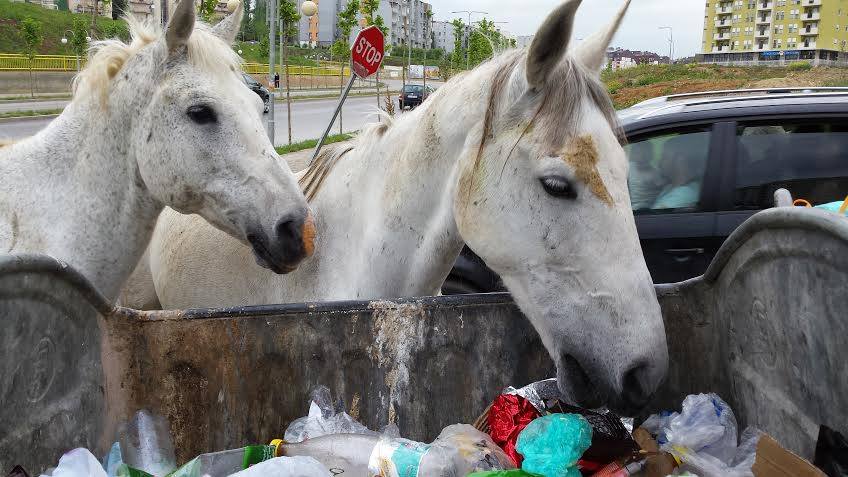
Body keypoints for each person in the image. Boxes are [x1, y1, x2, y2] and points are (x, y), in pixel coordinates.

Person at [652, 136, 705, 210]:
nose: (659, 163)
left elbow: (653, 218)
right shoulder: (669, 187)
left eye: (664, 157)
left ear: (679, 159)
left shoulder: (685, 193)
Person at [627, 140, 665, 211]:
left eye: (644, 154)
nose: (640, 157)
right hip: (628, 206)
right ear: (633, 154)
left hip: (643, 209)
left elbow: (661, 191)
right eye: (637, 153)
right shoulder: (628, 167)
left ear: (650, 156)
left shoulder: (655, 173)